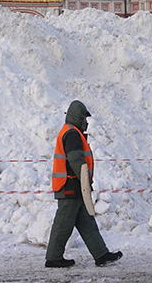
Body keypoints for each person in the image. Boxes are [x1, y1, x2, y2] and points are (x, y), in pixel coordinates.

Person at [45, 100, 123, 269]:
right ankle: (53, 258)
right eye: (85, 118)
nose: (86, 122)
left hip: (75, 187)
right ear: (78, 117)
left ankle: (101, 255)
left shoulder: (71, 132)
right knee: (63, 224)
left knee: (88, 224)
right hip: (70, 186)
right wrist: (85, 181)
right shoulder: (72, 134)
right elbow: (76, 160)